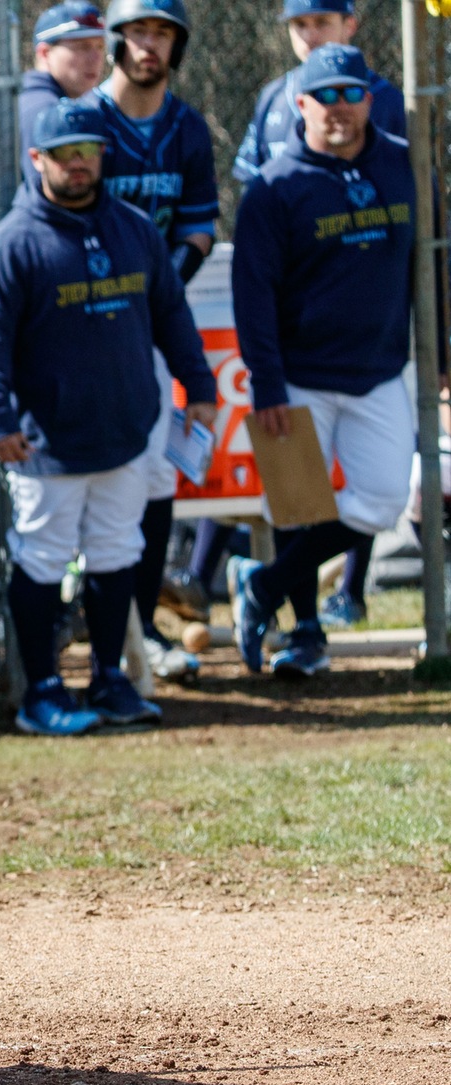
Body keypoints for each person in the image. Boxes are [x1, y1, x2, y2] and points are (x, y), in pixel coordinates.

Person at [0, 101, 216, 735]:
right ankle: (41, 692)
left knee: (115, 552)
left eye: (88, 151)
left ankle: (109, 679)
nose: (78, 164)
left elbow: (171, 313)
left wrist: (199, 383)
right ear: (37, 159)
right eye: (64, 153)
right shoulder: (11, 244)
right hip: (45, 441)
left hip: (126, 430)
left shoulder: (134, 230)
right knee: (43, 558)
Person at [228, 45, 417, 679]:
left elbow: (432, 261)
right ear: (300, 103)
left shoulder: (405, 163)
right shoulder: (273, 187)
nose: (339, 107)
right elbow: (253, 295)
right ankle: (305, 636)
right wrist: (267, 383)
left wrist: (441, 356)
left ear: (369, 98)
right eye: (325, 96)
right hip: (296, 376)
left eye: (350, 93)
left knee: (383, 500)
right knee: (296, 505)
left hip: (379, 370)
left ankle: (262, 585)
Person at [94, 0, 219, 683]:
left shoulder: (186, 128)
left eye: (162, 34)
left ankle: (139, 632)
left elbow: (198, 228)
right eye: (138, 32)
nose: (149, 46)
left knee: (156, 477)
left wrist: (159, 287)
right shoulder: (86, 121)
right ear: (116, 41)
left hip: (151, 323)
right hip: (86, 322)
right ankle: (94, 631)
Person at [233, 0, 404, 183]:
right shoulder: (273, 97)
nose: (309, 35)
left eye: (322, 22)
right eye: (300, 24)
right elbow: (252, 182)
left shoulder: (388, 101)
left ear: (349, 26)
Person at [19, 2, 108, 185]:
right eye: (83, 47)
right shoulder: (44, 109)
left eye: (99, 46)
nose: (96, 58)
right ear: (45, 53)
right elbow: (45, 194)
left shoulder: (31, 98)